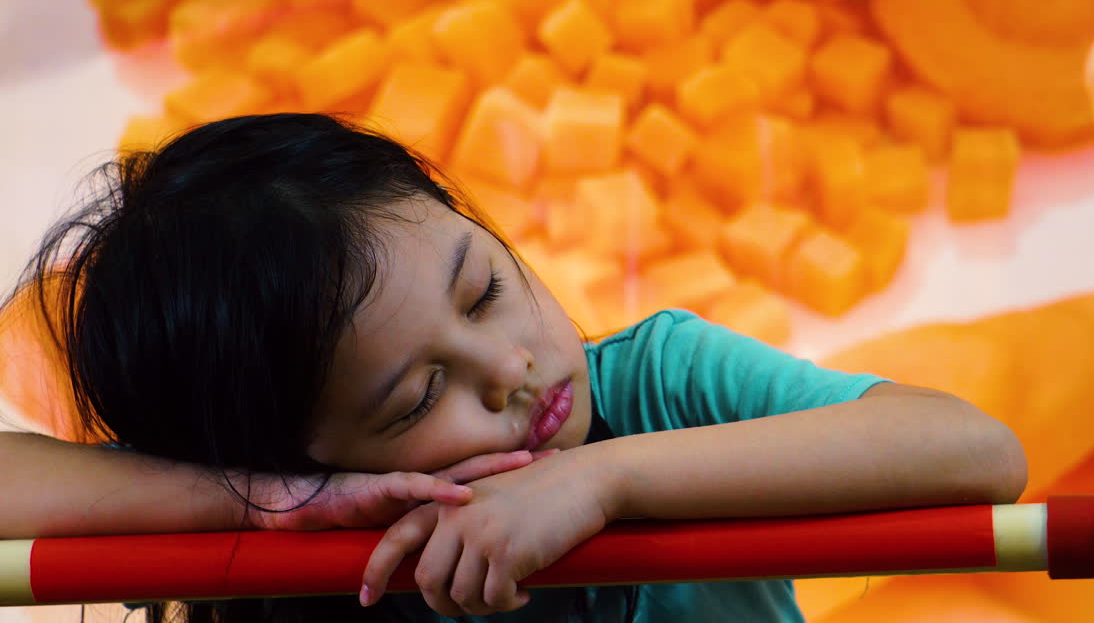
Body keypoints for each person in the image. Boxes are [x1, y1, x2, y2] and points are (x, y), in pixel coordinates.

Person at [0, 113, 1027, 623]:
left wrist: (605, 479)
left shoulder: (659, 384)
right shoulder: (295, 513)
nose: (510, 369)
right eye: (416, 397)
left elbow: (976, 452)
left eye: (483, 288)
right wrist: (267, 502)